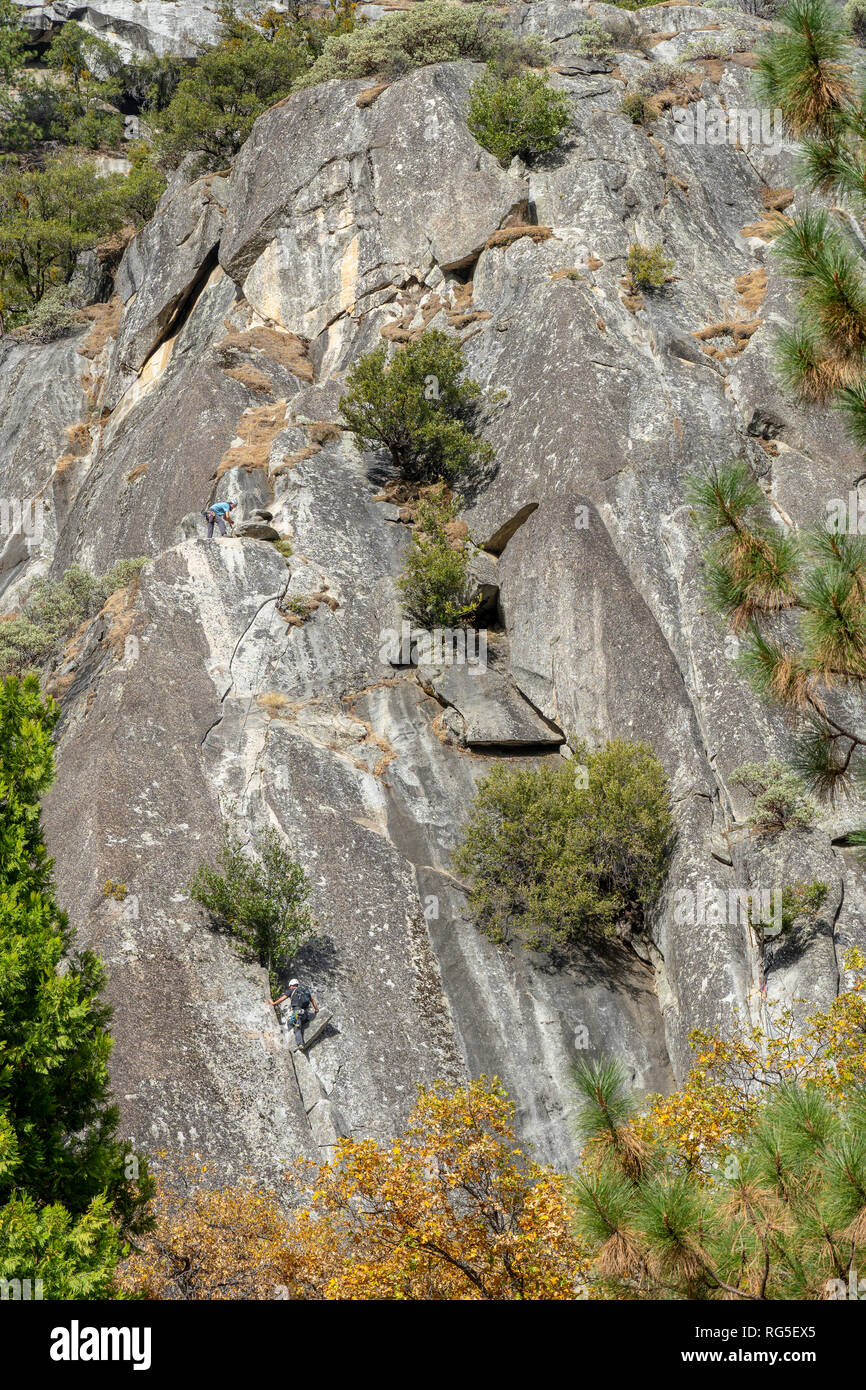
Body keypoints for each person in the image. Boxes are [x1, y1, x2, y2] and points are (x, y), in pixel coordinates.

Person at [271, 978, 319, 1048]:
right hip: (306, 1014)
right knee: (299, 1021)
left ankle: (300, 1043)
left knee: (294, 1026)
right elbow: (312, 1000)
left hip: (297, 1013)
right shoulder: (304, 991)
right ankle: (302, 1025)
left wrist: (273, 1003)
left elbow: (282, 999)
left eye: (289, 986)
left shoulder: (291, 990)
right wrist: (316, 1010)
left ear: (291, 985)